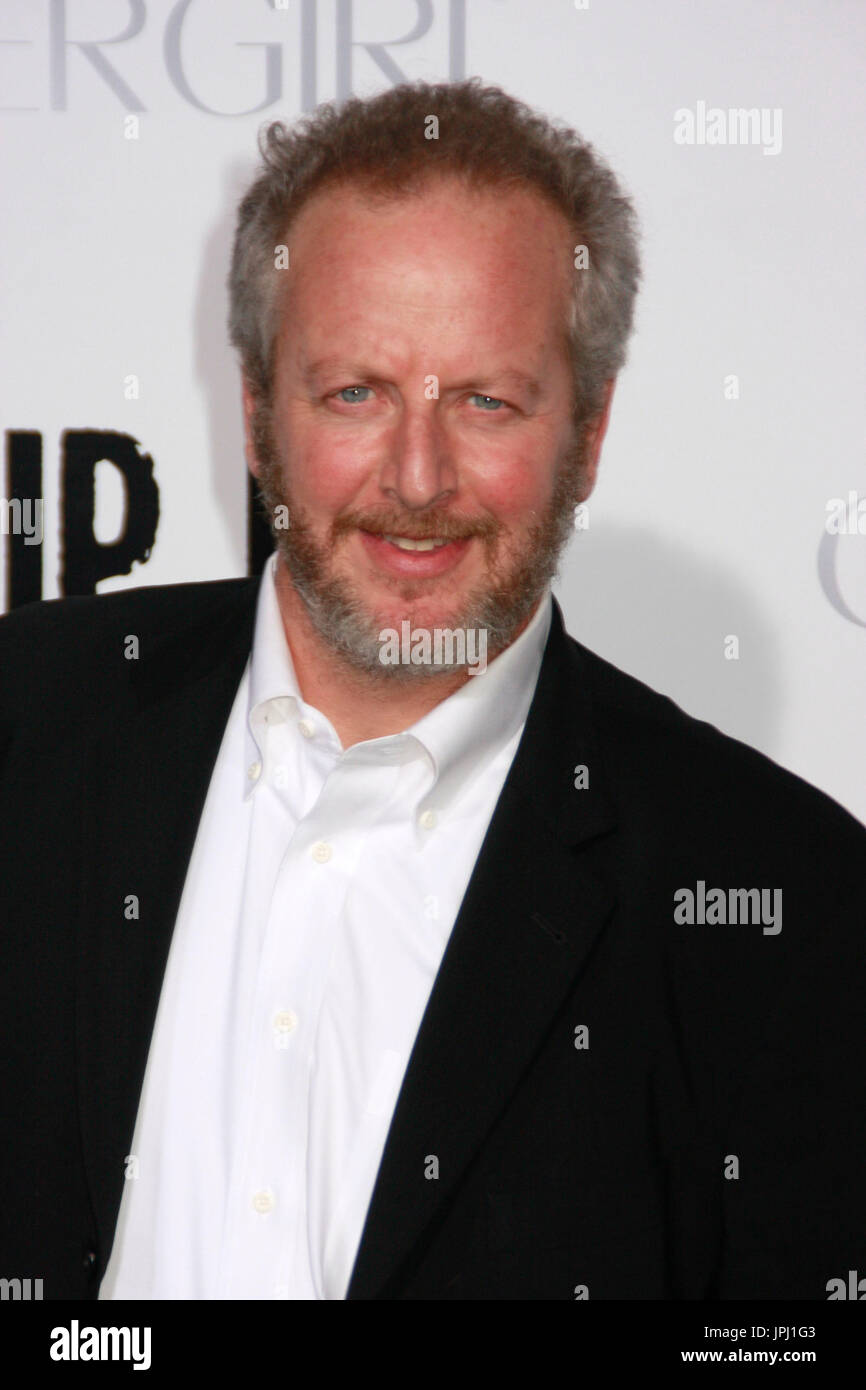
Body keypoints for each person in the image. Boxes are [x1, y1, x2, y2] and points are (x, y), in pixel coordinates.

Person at [1, 78, 864, 1302]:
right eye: (355, 391)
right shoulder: (23, 730)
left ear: (590, 429)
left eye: (485, 401)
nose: (417, 477)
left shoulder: (781, 897)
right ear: (256, 416)